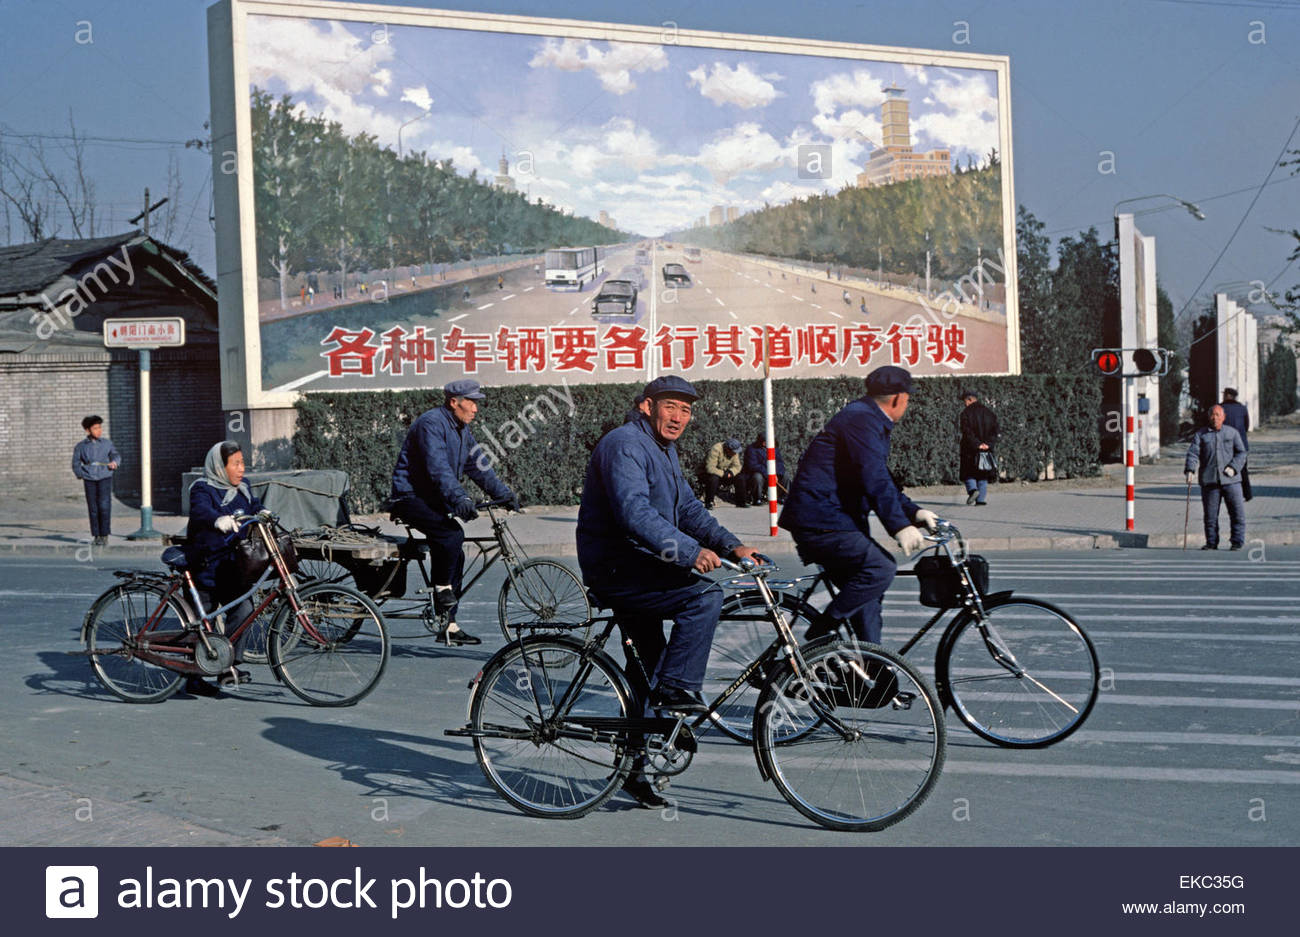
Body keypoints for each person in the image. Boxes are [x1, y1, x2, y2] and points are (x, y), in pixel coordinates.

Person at [576, 375, 763, 807]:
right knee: (703, 596)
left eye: (686, 409)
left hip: (640, 561)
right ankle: (676, 691)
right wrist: (688, 552)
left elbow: (687, 509)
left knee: (645, 668)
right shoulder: (624, 444)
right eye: (671, 407)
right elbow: (633, 512)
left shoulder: (662, 449)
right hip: (618, 566)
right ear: (647, 406)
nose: (679, 417)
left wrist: (730, 544)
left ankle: (633, 768)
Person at [779, 366, 939, 643]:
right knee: (881, 568)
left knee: (867, 600)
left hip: (831, 519)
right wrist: (899, 525)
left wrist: (914, 512)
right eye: (908, 399)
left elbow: (879, 478)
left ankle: (874, 677)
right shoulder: (862, 420)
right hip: (822, 521)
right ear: (898, 399)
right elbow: (873, 476)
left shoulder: (864, 417)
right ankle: (821, 630)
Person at [390, 379, 520, 645]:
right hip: (410, 496)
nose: (475, 409)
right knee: (450, 536)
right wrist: (459, 496)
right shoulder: (431, 424)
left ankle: (448, 624)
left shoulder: (461, 428)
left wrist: (503, 493)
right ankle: (441, 589)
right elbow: (437, 468)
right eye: (471, 402)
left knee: (455, 553)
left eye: (476, 403)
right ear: (454, 402)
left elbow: (478, 466)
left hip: (432, 497)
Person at [184, 441, 263, 697]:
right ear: (220, 466)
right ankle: (192, 677)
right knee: (199, 623)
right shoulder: (202, 489)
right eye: (236, 463)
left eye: (242, 462)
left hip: (231, 566)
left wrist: (263, 512)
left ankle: (227, 665)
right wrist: (216, 520)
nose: (241, 469)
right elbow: (200, 512)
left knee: (245, 609)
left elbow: (254, 506)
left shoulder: (244, 488)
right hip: (205, 566)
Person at [1185, 404, 1247, 550]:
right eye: (1212, 415)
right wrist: (1190, 469)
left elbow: (1242, 453)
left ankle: (1237, 542)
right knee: (1210, 516)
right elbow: (1193, 453)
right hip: (1210, 481)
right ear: (1208, 417)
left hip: (1231, 481)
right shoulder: (1201, 435)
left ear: (1223, 417)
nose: (1215, 418)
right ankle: (1211, 542)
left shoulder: (1232, 433)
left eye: (1218, 415)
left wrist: (1234, 467)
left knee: (1237, 513)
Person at [72, 415, 120, 547]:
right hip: (89, 479)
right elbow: (76, 463)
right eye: (95, 428)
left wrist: (115, 462)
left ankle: (104, 535)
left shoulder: (107, 443)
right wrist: (81, 474)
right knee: (93, 507)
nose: (99, 431)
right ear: (88, 430)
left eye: (100, 427)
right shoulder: (81, 446)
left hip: (105, 477)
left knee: (104, 506)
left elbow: (115, 455)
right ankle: (96, 535)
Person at [958, 389, 1000, 505]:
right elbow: (995, 430)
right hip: (987, 449)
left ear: (970, 399)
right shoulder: (989, 413)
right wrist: (988, 443)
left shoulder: (965, 413)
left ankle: (972, 490)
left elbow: (967, 432)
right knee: (983, 473)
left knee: (968, 472)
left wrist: (977, 444)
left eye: (965, 401)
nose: (964, 404)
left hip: (970, 448)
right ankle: (981, 499)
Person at [1219, 387, 1252, 501]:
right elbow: (1247, 426)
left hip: (1225, 444)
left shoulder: (1220, 408)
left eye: (1224, 394)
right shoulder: (1242, 408)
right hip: (1242, 444)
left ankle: (1227, 495)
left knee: (1224, 469)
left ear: (1228, 396)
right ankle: (1247, 494)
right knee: (1243, 470)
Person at [741, 434, 786, 506]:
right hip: (757, 472)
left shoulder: (774, 448)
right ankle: (757, 498)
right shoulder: (751, 449)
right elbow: (753, 465)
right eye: (764, 441)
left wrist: (776, 473)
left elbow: (779, 462)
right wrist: (769, 474)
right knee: (757, 477)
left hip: (772, 472)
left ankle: (782, 497)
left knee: (785, 476)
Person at [702, 437, 744, 509]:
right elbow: (710, 468)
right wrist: (723, 474)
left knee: (740, 477)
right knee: (713, 479)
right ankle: (709, 502)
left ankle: (741, 501)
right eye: (733, 451)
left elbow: (737, 467)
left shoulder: (734, 453)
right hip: (714, 473)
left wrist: (731, 472)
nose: (735, 453)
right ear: (727, 449)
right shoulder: (716, 449)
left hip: (727, 473)